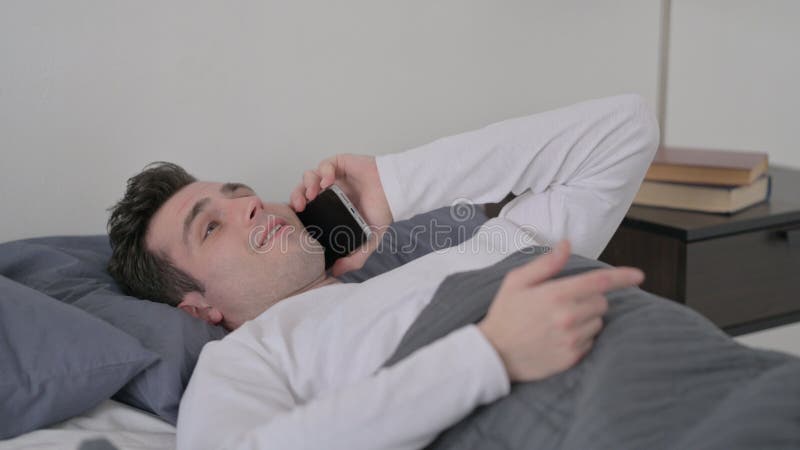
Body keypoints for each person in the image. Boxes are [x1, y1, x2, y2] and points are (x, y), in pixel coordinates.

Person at [106, 94, 659, 449]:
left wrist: (394, 185)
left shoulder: (461, 259)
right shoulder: (245, 359)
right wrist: (489, 355)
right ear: (199, 307)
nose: (249, 207)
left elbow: (625, 131)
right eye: (210, 228)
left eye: (243, 195)